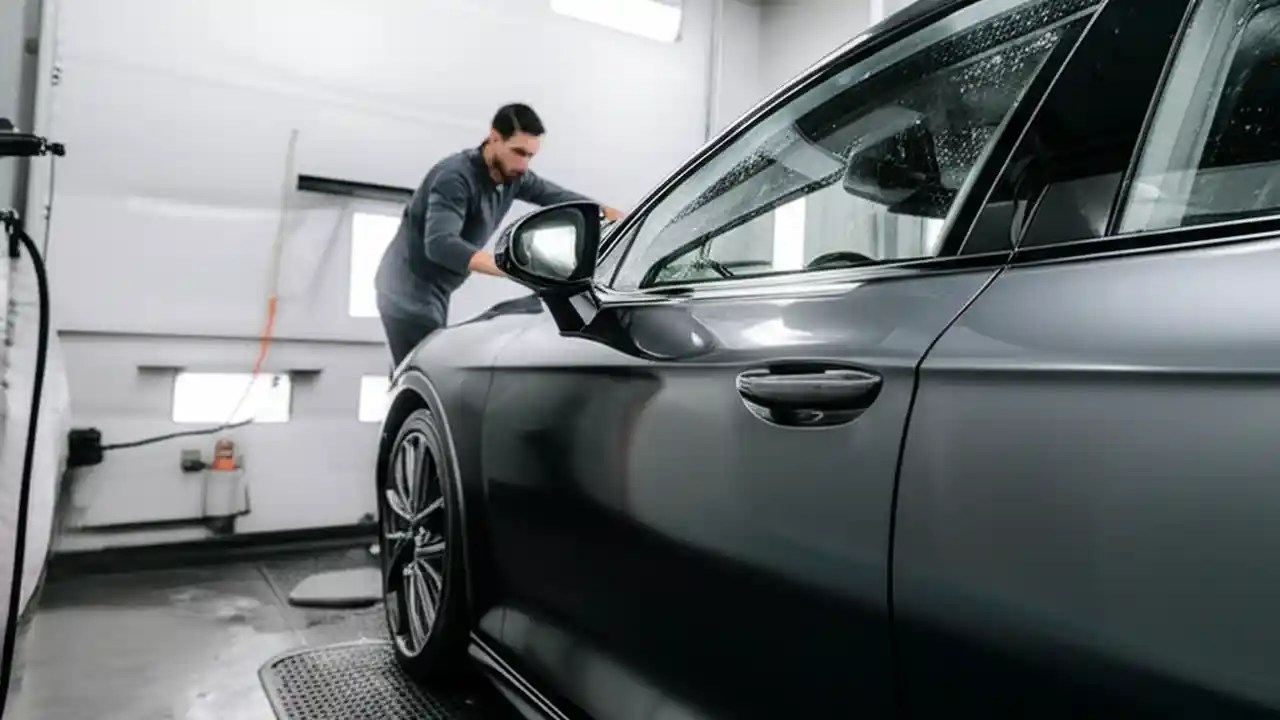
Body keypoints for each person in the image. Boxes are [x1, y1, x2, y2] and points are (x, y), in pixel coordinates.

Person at [374, 103, 623, 366]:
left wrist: (606, 212)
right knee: (422, 371)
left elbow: (557, 197)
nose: (524, 165)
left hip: (436, 290)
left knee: (416, 369)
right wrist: (513, 268)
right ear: (494, 138)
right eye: (518, 152)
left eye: (530, 156)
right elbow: (440, 244)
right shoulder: (455, 177)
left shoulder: (513, 177)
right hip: (406, 289)